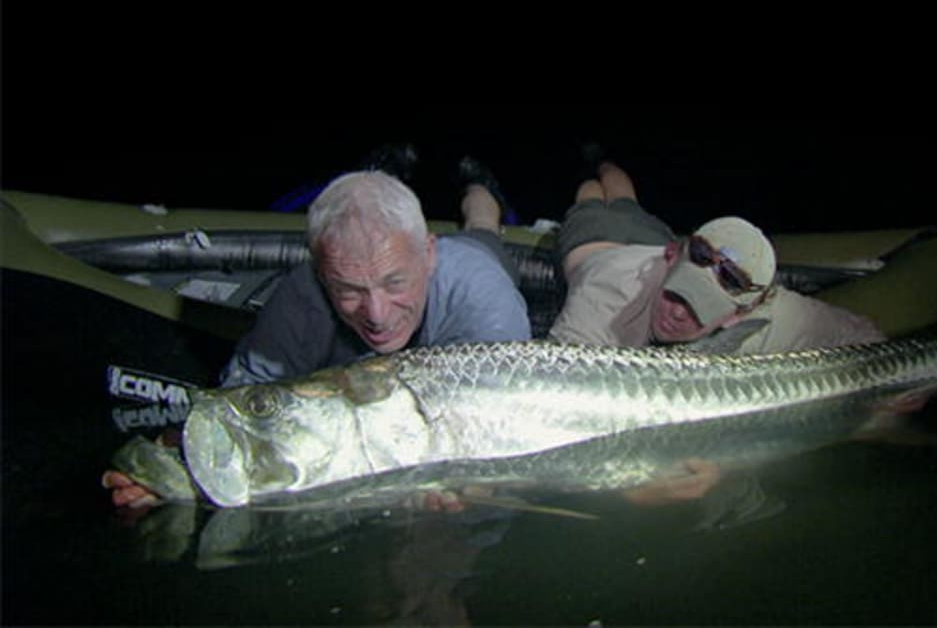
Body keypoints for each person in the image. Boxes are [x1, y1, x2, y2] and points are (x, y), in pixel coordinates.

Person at [104, 149, 531, 511]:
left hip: (478, 257)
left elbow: (510, 433)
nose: (377, 315)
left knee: (482, 229)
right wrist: (180, 462)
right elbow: (244, 400)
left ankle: (480, 193)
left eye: (395, 283)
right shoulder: (303, 296)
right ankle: (380, 172)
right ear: (322, 275)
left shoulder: (484, 298)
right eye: (349, 290)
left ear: (428, 255)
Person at [549, 154, 886, 506]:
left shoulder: (777, 308)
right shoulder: (607, 297)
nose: (676, 314)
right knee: (591, 197)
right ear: (673, 257)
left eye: (697, 309)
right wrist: (624, 485)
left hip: (648, 237)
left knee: (628, 201)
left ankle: (608, 170)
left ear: (742, 314)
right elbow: (557, 403)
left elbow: (867, 339)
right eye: (675, 294)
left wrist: (891, 397)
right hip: (592, 242)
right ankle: (595, 161)